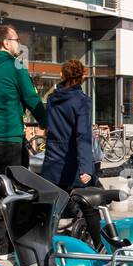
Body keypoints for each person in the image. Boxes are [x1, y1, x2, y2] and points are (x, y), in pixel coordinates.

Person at [0, 24, 46, 177]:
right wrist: (46, 122)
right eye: (16, 40)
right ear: (6, 43)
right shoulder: (15, 65)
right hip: (7, 136)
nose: (19, 44)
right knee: (17, 188)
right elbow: (31, 98)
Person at [41, 59, 95, 189]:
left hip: (51, 164)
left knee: (55, 206)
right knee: (81, 206)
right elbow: (83, 135)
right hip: (72, 165)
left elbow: (48, 128)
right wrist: (86, 168)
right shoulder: (82, 101)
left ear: (62, 76)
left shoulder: (52, 99)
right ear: (82, 76)